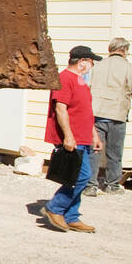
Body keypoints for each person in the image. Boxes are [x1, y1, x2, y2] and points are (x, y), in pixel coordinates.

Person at [43, 46, 99, 232]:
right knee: (81, 176)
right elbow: (61, 108)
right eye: (91, 61)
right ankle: (55, 208)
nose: (91, 65)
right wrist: (68, 136)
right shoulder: (65, 78)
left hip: (83, 137)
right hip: (72, 137)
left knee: (77, 177)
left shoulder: (80, 81)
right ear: (82, 61)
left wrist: (94, 134)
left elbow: (85, 111)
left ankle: (71, 216)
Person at [85, 37, 132, 195]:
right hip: (118, 114)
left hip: (97, 113)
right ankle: (112, 185)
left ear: (110, 49)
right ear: (124, 50)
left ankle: (90, 185)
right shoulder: (130, 68)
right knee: (115, 152)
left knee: (94, 151)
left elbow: (87, 89)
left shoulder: (96, 67)